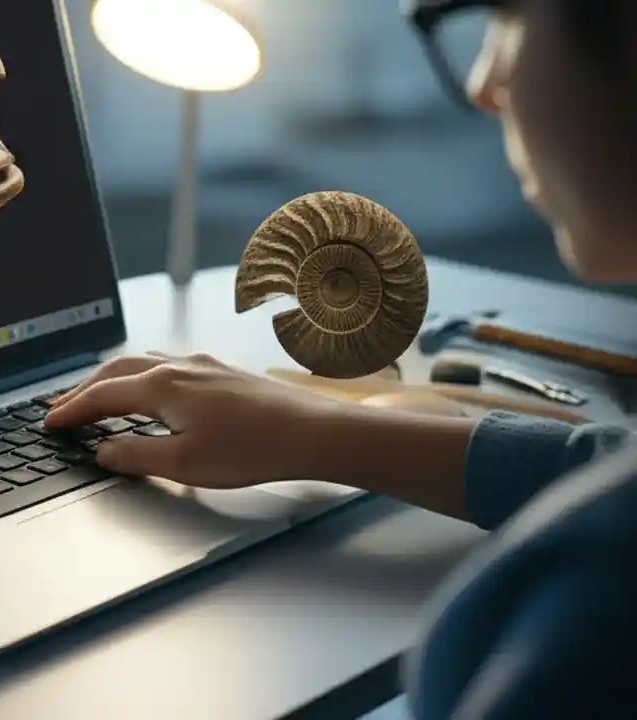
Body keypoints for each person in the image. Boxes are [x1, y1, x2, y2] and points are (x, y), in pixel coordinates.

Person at [44, 0, 636, 717]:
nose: (486, 82)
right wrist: (320, 433)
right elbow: (602, 464)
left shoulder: (590, 611)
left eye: (509, 18)